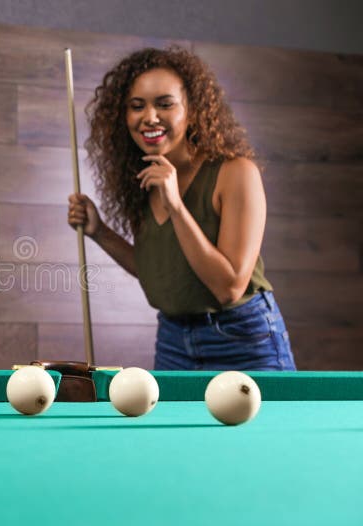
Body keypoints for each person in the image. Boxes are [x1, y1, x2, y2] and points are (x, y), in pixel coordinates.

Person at [68, 47, 295, 371]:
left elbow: (229, 287)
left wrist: (176, 206)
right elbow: (161, 271)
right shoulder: (142, 180)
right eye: (136, 106)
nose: (149, 117)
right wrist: (100, 232)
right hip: (174, 340)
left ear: (192, 109)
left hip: (242, 338)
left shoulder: (236, 173)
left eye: (165, 104)